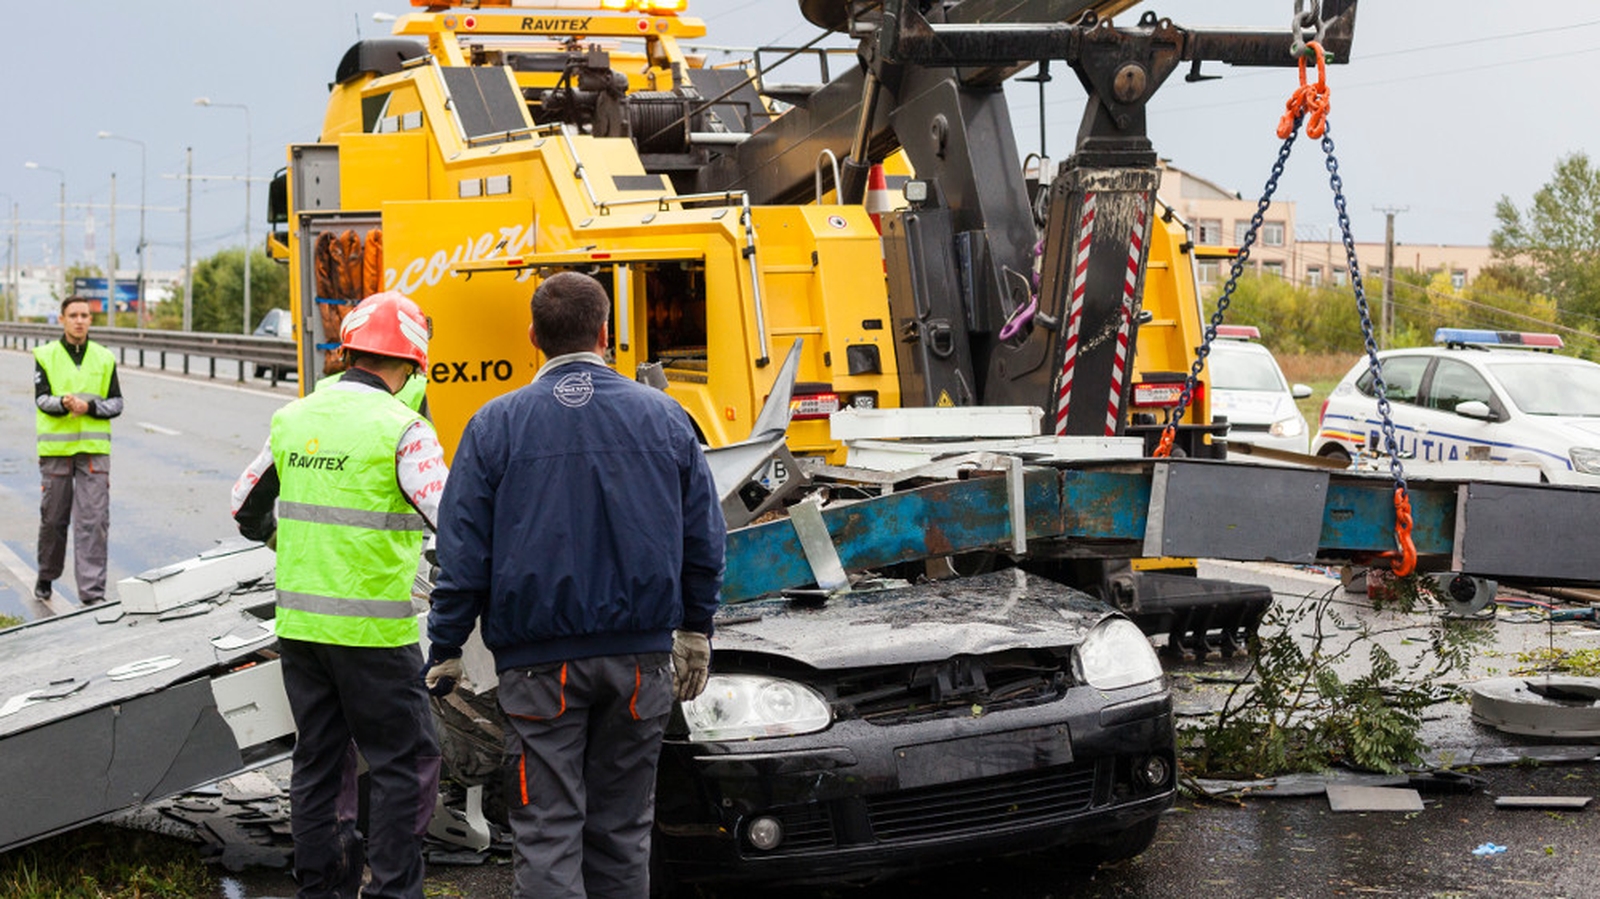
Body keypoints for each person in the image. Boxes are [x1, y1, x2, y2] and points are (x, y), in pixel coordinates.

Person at [425, 271, 724, 899]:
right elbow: (704, 539)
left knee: (548, 832)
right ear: (605, 333)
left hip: (539, 672)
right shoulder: (666, 417)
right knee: (622, 833)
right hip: (640, 664)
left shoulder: (494, 425)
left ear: (533, 337)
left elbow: (462, 553)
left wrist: (447, 644)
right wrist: (696, 629)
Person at [231, 290, 446, 899]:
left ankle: (321, 889)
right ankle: (393, 891)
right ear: (411, 364)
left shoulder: (294, 417)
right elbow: (455, 521)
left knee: (319, 763)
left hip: (301, 631)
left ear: (347, 352)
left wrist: (290, 542)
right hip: (375, 634)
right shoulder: (404, 429)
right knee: (407, 762)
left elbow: (243, 506)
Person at [34, 295, 123, 605]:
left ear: (90, 320)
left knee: (93, 522)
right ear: (62, 319)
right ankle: (46, 575)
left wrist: (90, 407)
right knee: (54, 520)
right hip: (56, 452)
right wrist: (63, 403)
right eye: (73, 315)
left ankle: (92, 594)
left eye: (84, 315)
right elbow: (41, 398)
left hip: (94, 453)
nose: (79, 320)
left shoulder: (104, 357)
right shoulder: (46, 355)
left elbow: (117, 403)